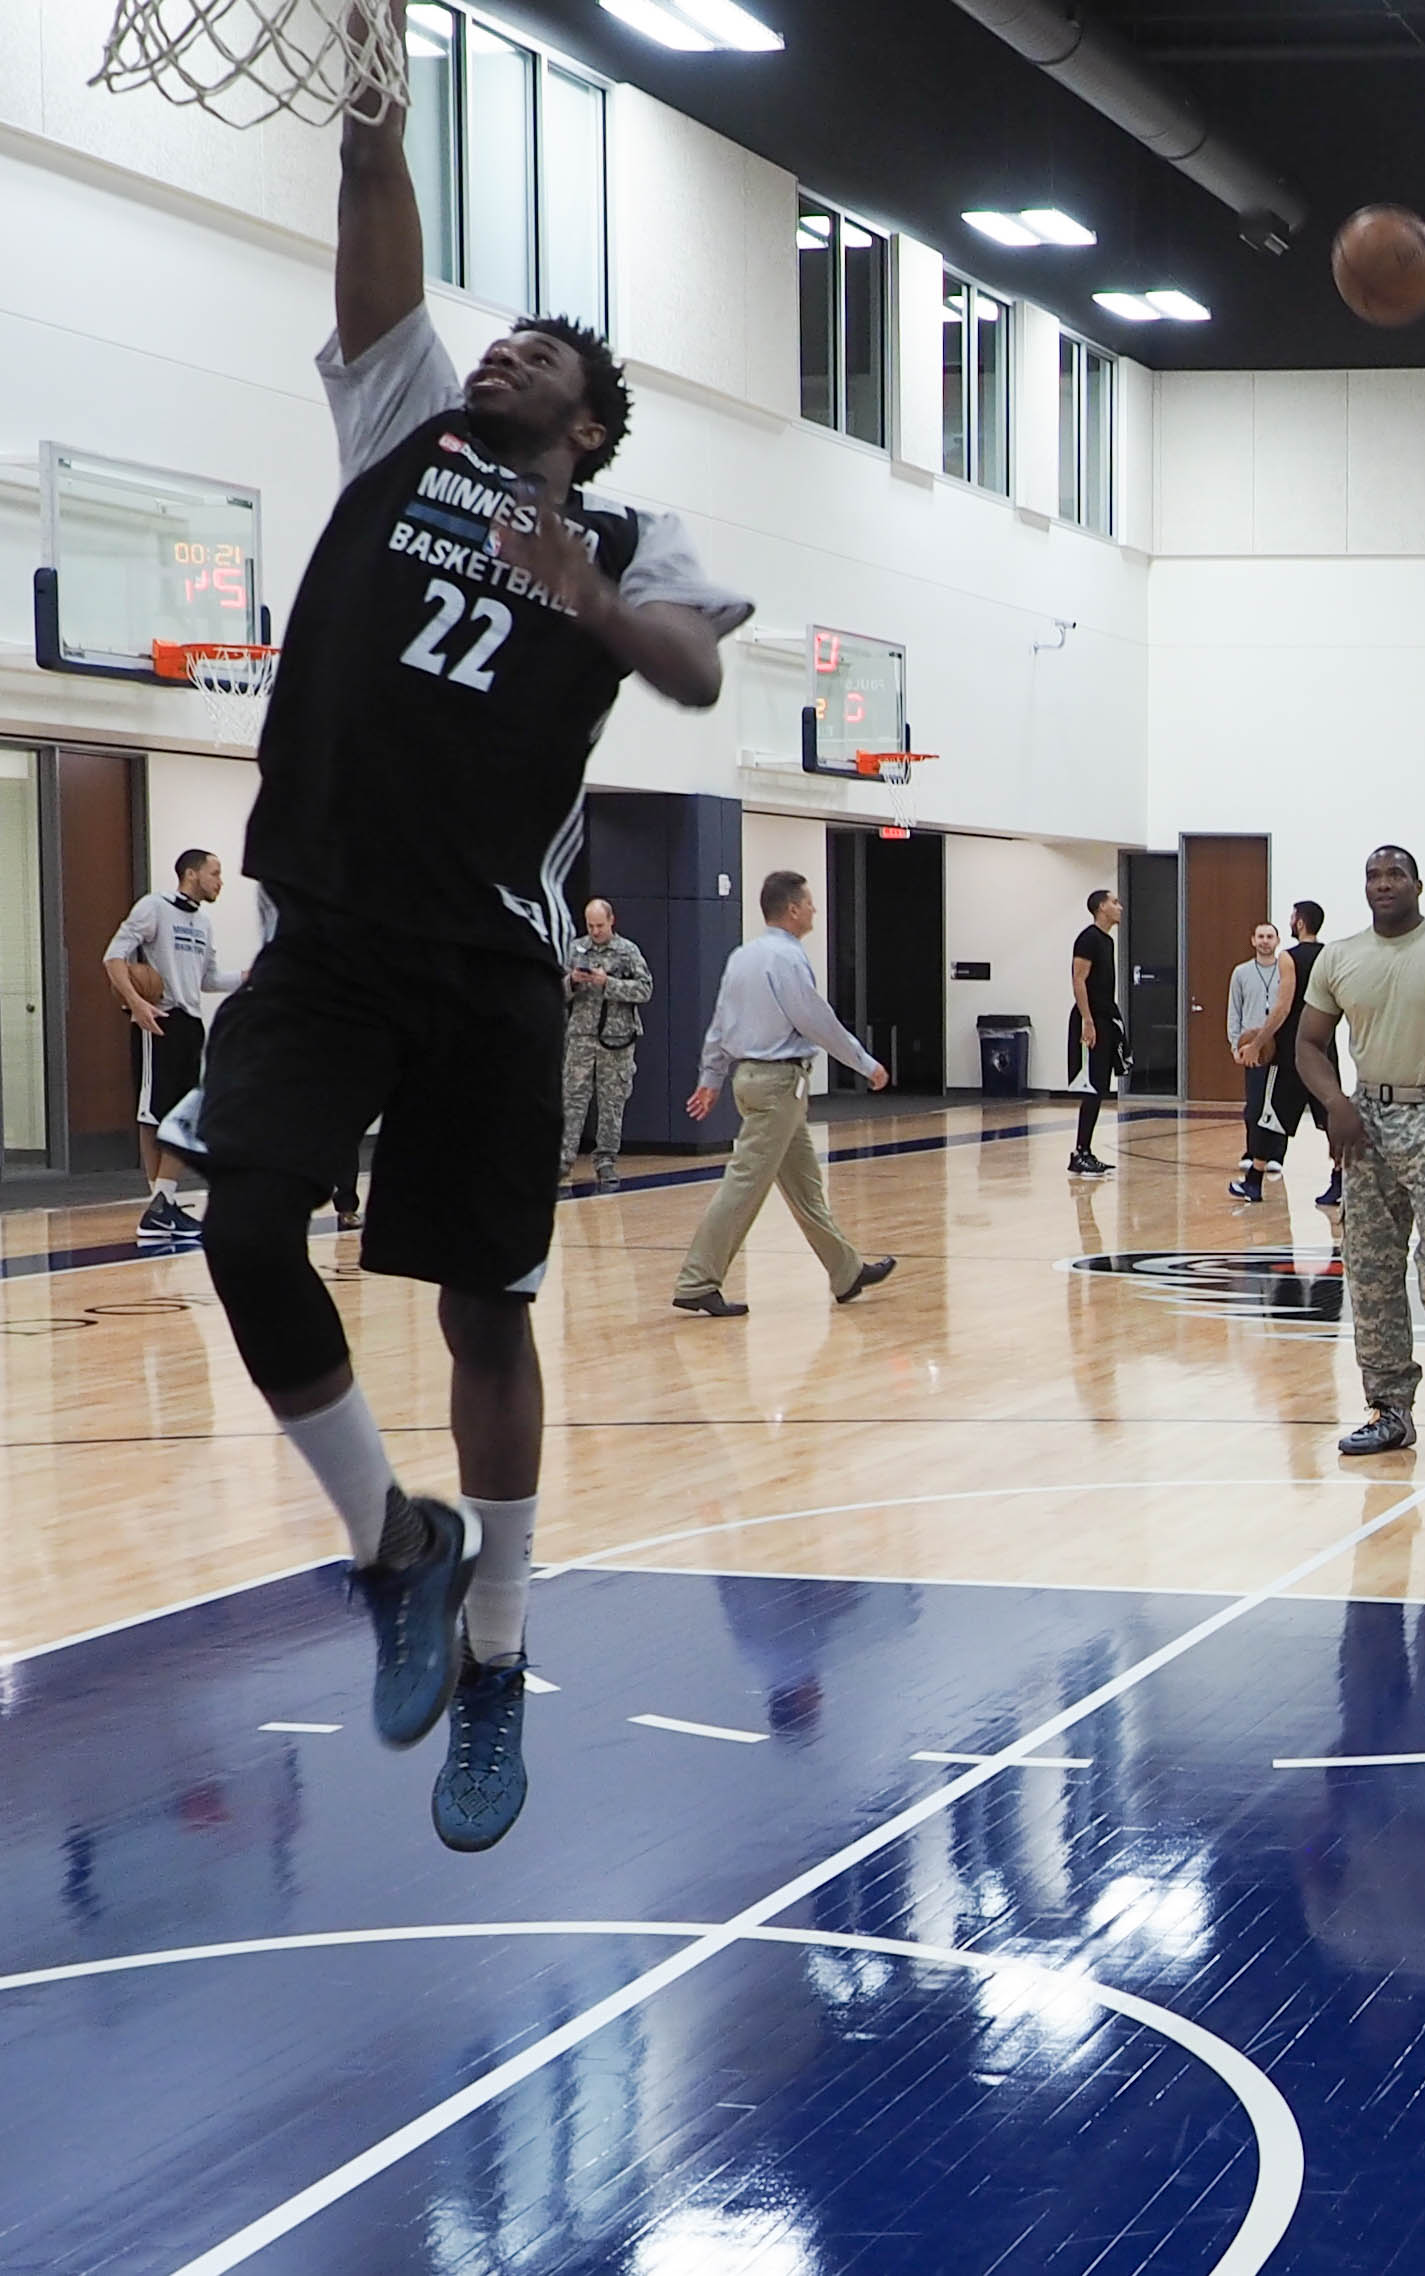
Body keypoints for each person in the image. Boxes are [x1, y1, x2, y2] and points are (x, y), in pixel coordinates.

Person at [159, 5, 752, 1855]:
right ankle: (392, 1545)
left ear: (582, 423)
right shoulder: (401, 431)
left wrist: (575, 578)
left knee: (485, 1309)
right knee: (247, 1228)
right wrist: (367, 124)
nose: (497, 352)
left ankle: (494, 1645)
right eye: (492, 336)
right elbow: (370, 240)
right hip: (328, 932)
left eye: (539, 356)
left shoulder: (634, 531)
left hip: (492, 961)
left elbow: (688, 668)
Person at [1294, 845, 1425, 1460]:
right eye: (1373, 875)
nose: (1383, 884)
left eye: (1394, 875)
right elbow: (1308, 1044)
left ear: (1416, 883)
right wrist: (1336, 1103)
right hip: (1367, 1121)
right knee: (1371, 1271)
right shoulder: (1340, 956)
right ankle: (1389, 1409)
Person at [675, 870, 895, 1317]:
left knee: (805, 1186)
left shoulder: (742, 956)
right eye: (810, 902)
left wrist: (712, 1077)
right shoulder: (787, 960)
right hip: (778, 1086)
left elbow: (720, 1023)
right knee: (744, 1185)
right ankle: (697, 1280)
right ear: (793, 909)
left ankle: (845, 1271)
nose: (815, 908)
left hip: (756, 1082)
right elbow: (818, 1021)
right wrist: (865, 1064)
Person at [103, 849, 243, 1245]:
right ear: (191, 873)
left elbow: (210, 979)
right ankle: (160, 1206)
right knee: (164, 1116)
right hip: (158, 1021)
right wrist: (137, 1003)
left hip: (190, 1024)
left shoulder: (204, 922)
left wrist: (251, 975)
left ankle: (160, 1206)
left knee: (175, 1115)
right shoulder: (154, 907)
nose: (220, 881)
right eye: (215, 873)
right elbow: (112, 957)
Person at [1250, 899, 1344, 1209]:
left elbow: (1283, 1006)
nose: (1290, 922)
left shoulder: (1288, 958)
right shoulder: (1331, 955)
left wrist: (1258, 1041)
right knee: (1331, 1117)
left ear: (1300, 923)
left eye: (1292, 917)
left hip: (1293, 1047)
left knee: (1268, 1116)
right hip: (1324, 1046)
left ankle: (1253, 1181)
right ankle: (1340, 1181)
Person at [560, 896, 653, 1192]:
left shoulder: (627, 952)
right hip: (581, 1037)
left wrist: (608, 983)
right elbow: (554, 990)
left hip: (616, 1039)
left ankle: (606, 1159)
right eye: (591, 925)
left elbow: (645, 989)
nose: (596, 931)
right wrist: (573, 981)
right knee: (572, 1099)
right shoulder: (576, 949)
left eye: (600, 925)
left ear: (612, 921)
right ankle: (563, 1159)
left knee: (612, 1102)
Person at [1067, 887, 1124, 1177]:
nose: (1120, 907)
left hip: (1104, 1018)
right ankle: (1080, 1153)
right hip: (1090, 1020)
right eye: (1115, 902)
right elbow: (1079, 980)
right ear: (1101, 907)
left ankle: (1085, 1151)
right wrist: (1087, 1021)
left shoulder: (1107, 941)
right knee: (1091, 1087)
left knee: (1100, 1085)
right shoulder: (1088, 939)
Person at [1227, 919, 1285, 1202]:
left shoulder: (1285, 971)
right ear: (1253, 941)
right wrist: (1235, 1043)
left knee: (1279, 1104)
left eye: (1269, 936)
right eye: (1260, 936)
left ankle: (1276, 1156)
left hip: (1280, 1048)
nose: (1264, 941)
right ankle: (1252, 1151)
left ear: (1277, 940)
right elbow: (1234, 1010)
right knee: (1255, 1104)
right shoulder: (1241, 973)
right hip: (1252, 1048)